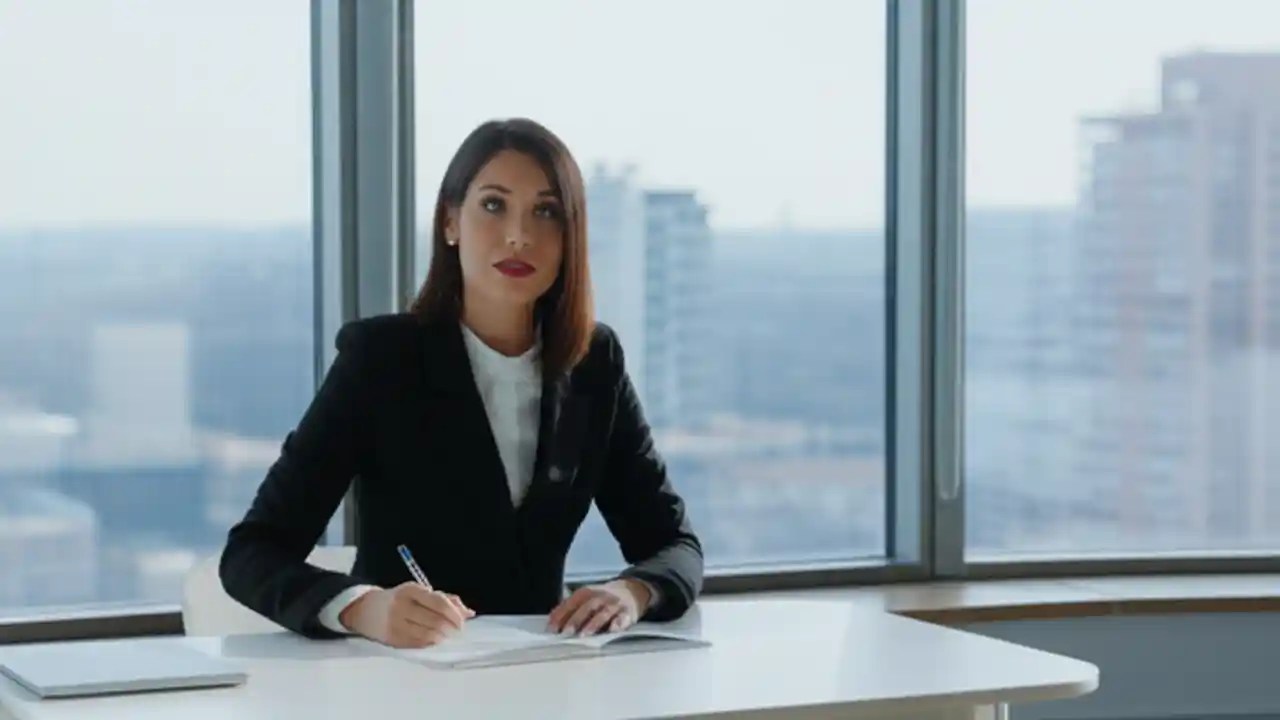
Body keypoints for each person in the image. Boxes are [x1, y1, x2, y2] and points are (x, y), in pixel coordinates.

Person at [219, 118, 703, 649]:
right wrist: (362, 607)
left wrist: (633, 592)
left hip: (544, 670)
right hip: (400, 675)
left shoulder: (594, 362)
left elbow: (674, 545)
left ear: (570, 237)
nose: (519, 235)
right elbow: (252, 553)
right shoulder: (380, 361)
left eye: (546, 212)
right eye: (494, 205)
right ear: (451, 221)